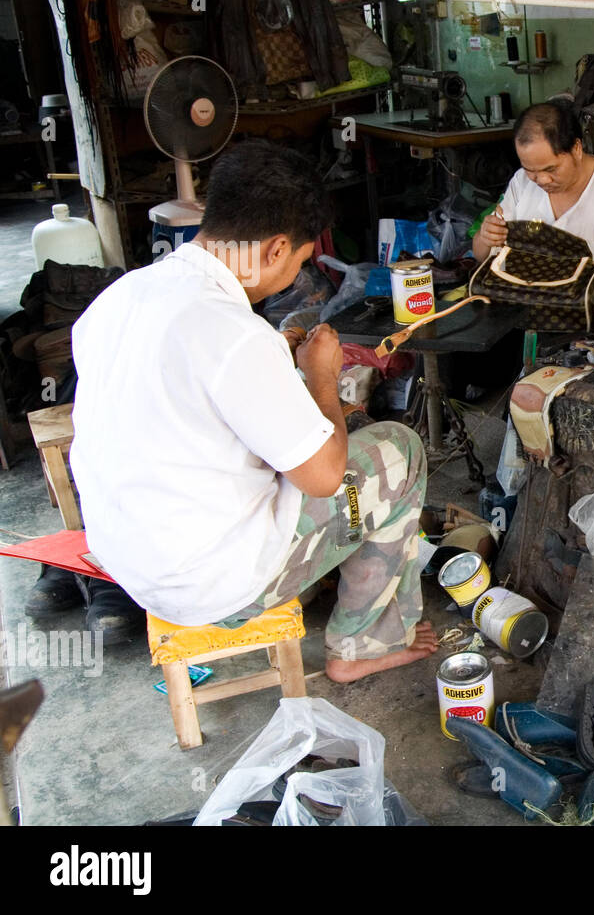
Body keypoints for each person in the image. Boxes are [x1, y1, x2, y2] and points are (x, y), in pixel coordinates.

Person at [70, 139, 437, 682]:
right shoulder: (234, 334)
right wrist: (320, 376)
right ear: (274, 249)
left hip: (127, 563)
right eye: (299, 261)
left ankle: (335, 586)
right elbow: (322, 477)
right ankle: (363, 645)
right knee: (398, 450)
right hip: (212, 589)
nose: (296, 274)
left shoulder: (122, 296)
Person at [471, 102, 594, 316]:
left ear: (576, 149)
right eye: (530, 170)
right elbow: (482, 255)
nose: (541, 179)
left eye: (551, 169)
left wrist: (553, 270)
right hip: (532, 307)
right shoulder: (521, 183)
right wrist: (486, 237)